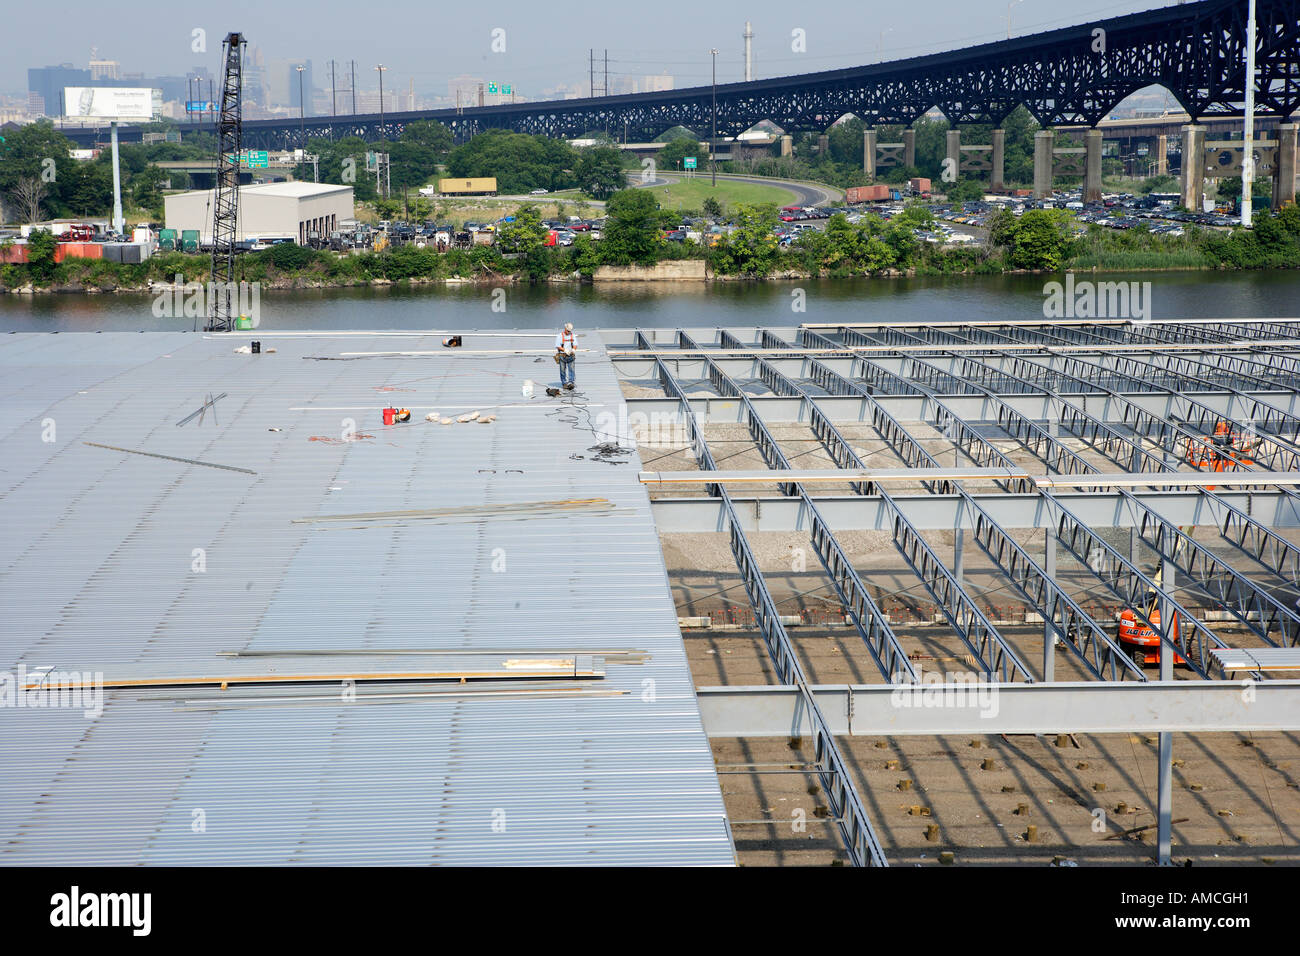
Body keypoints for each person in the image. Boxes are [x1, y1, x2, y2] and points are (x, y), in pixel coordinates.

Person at [555, 322, 577, 390]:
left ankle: (571, 382)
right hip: (562, 355)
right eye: (567, 331)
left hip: (571, 355)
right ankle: (564, 383)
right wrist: (565, 350)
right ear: (565, 329)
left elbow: (575, 344)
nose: (568, 332)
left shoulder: (572, 336)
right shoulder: (560, 336)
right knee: (562, 370)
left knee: (572, 369)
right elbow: (558, 346)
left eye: (569, 331)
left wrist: (573, 349)